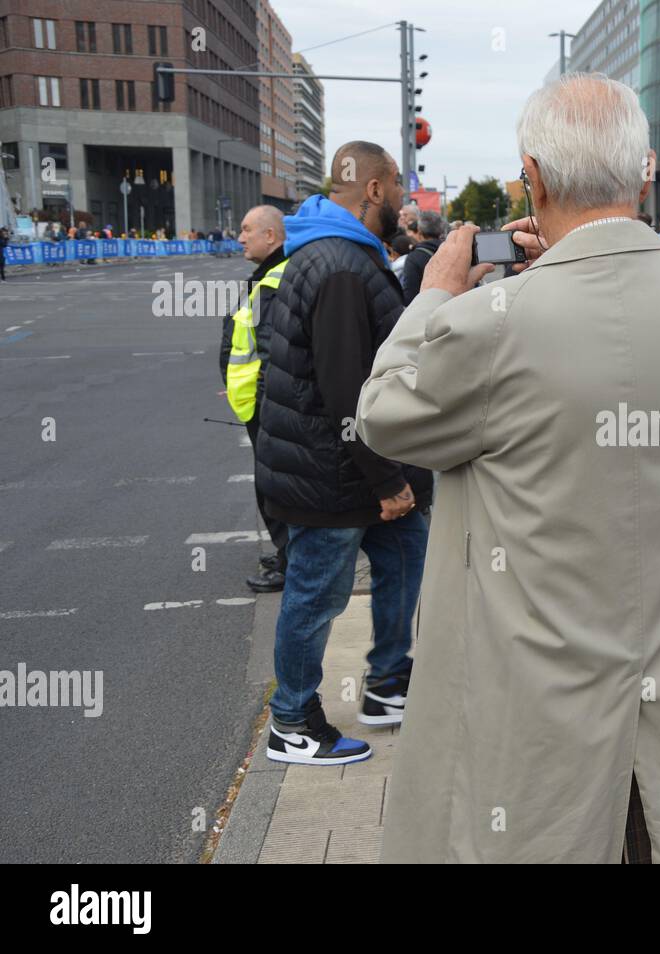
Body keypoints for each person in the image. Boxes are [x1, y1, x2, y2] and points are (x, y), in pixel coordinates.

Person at [357, 72, 660, 864]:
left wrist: (433, 297)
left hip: (537, 692)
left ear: (530, 177)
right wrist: (574, 258)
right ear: (646, 172)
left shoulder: (485, 332)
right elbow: (633, 305)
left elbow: (385, 412)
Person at [255, 140, 433, 766]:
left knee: (408, 546)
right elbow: (344, 388)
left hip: (339, 467)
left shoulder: (342, 254)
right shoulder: (338, 265)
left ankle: (387, 685)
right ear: (377, 190)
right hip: (330, 474)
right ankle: (293, 721)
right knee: (316, 595)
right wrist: (386, 481)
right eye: (401, 194)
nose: (406, 207)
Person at [218, 206, 290, 592]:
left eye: (247, 230)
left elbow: (273, 352)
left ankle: (289, 561)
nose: (241, 237)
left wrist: (264, 399)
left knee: (272, 485)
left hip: (265, 406)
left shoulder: (275, 280)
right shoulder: (268, 274)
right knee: (272, 483)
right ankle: (285, 553)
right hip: (257, 401)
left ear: (271, 236)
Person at [400, 210, 448, 305]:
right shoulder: (453, 250)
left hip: (429, 312)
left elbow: (410, 297)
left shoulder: (414, 258)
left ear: (419, 230)